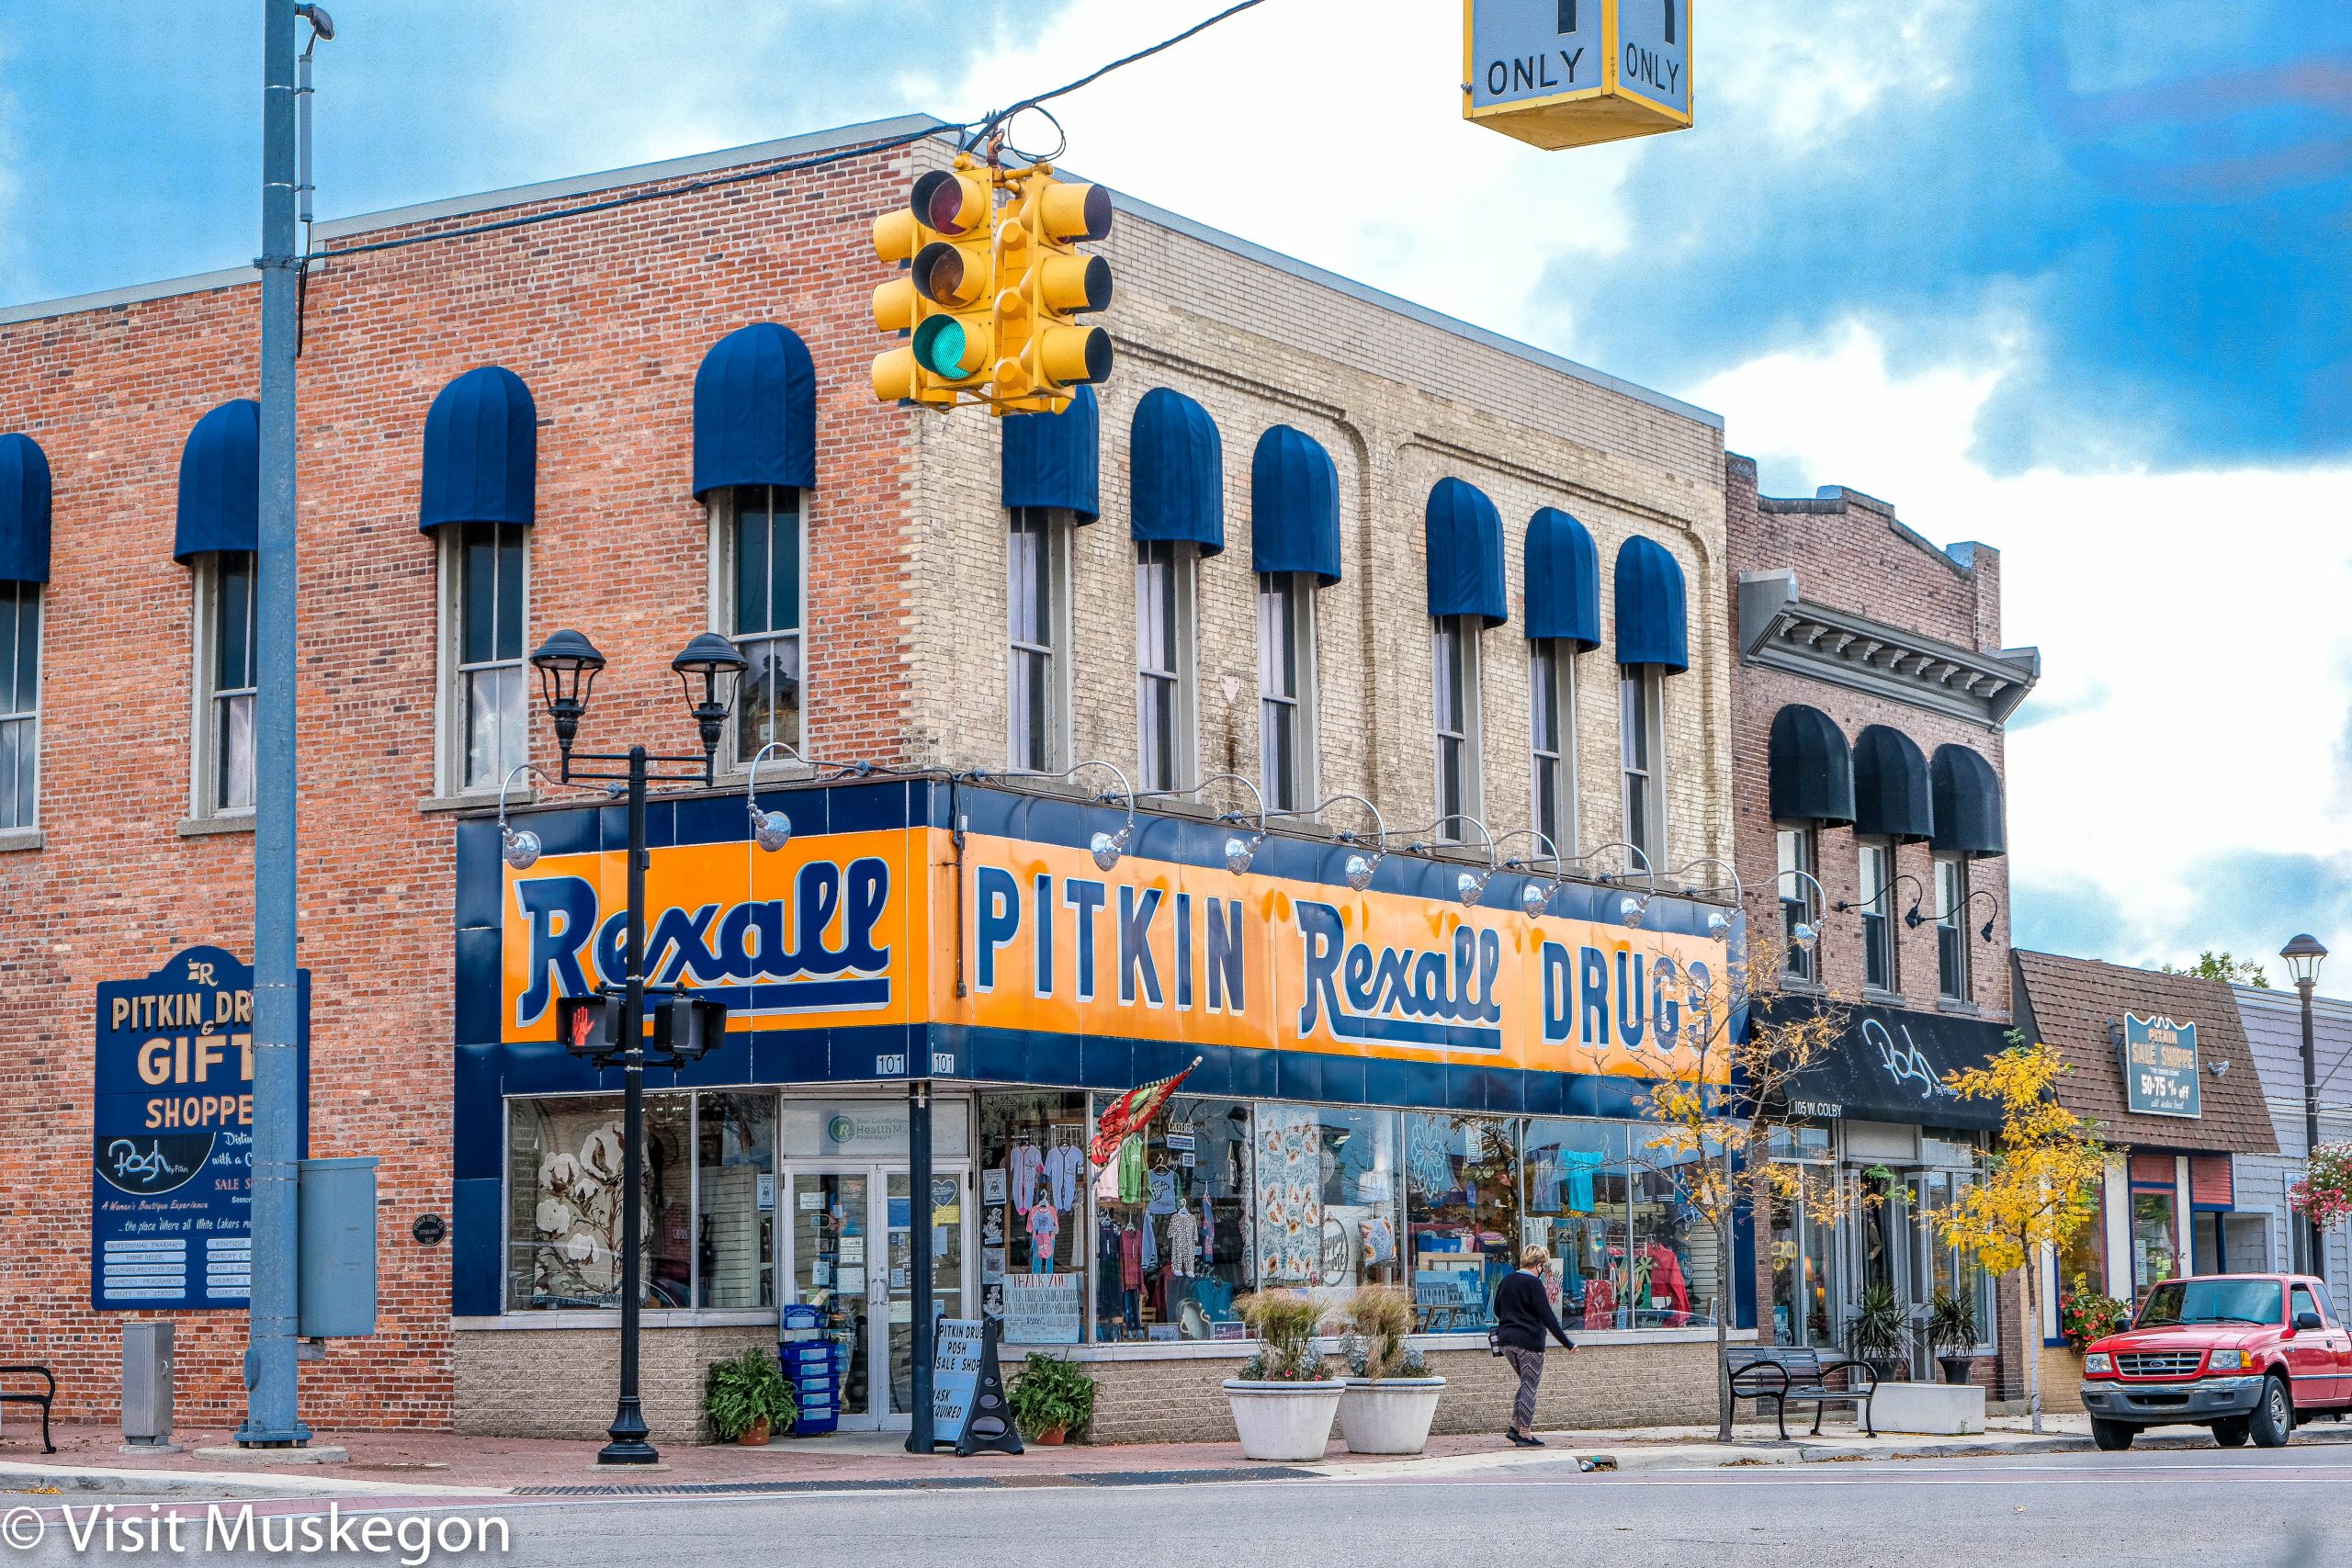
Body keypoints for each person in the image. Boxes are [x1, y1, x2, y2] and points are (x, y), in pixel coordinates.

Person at [1492, 1244, 1577, 1446]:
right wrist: (1567, 1343)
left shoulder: (1507, 1280)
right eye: (1543, 1267)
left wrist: (1512, 1319)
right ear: (1538, 1266)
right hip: (1529, 1342)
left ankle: (1514, 1426)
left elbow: (1497, 1309)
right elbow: (1548, 1316)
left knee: (1525, 1383)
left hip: (1506, 1341)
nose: (1543, 1271)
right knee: (1530, 1386)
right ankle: (1525, 1433)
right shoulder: (1533, 1284)